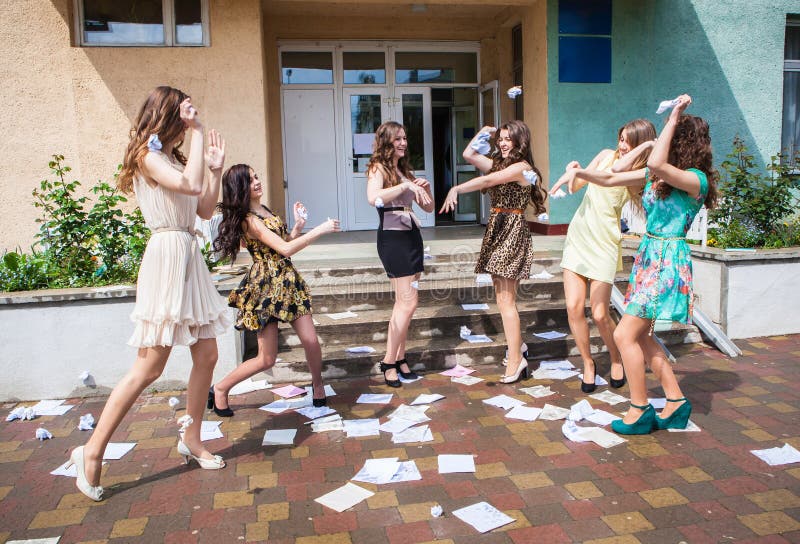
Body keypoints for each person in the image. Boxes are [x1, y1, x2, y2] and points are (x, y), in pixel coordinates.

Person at [70, 86, 232, 501]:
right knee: (149, 367)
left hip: (188, 257)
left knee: (208, 355)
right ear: (170, 117)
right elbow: (190, 187)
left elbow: (205, 209)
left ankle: (191, 438)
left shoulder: (172, 157)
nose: (189, 123)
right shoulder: (148, 156)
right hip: (165, 259)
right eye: (184, 117)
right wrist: (198, 133)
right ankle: (90, 450)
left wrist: (214, 170)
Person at [550, 95, 718, 434]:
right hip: (649, 260)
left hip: (667, 263)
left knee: (626, 334)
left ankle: (640, 409)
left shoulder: (696, 180)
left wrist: (671, 120)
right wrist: (580, 172)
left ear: (684, 142)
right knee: (641, 338)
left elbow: (657, 164)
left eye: (675, 137)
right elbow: (612, 178)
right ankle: (675, 402)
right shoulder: (660, 178)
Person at [210, 164, 340, 415]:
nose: (257, 181)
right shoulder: (249, 220)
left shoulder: (264, 209)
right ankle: (221, 388)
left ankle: (317, 384)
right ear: (239, 189)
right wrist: (318, 231)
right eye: (249, 180)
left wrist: (298, 228)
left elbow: (284, 244)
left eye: (256, 176)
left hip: (288, 282)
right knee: (266, 359)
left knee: (311, 340)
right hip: (266, 288)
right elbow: (286, 250)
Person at [441, 120, 547, 384]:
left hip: (512, 229)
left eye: (508, 139)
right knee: (502, 297)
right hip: (497, 227)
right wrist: (483, 133)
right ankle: (518, 347)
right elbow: (469, 155)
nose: (502, 143)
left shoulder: (522, 168)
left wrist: (457, 188)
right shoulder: (501, 163)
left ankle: (516, 358)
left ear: (520, 141)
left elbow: (489, 180)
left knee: (505, 300)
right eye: (501, 138)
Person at [559, 119, 657, 394]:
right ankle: (588, 364)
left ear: (640, 145)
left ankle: (616, 357)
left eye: (628, 141)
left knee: (601, 313)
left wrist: (646, 148)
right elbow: (575, 187)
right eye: (621, 138)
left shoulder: (640, 174)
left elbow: (615, 172)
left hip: (604, 243)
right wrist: (573, 171)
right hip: (578, 237)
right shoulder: (604, 155)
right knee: (574, 307)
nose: (621, 145)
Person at [366, 121, 434, 387]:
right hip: (393, 241)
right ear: (387, 142)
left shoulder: (404, 169)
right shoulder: (378, 168)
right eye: (398, 139)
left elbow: (428, 209)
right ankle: (388, 361)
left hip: (412, 238)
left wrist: (424, 190)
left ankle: (401, 358)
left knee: (403, 305)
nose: (404, 143)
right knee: (409, 302)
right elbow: (373, 197)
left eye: (405, 138)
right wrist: (405, 187)